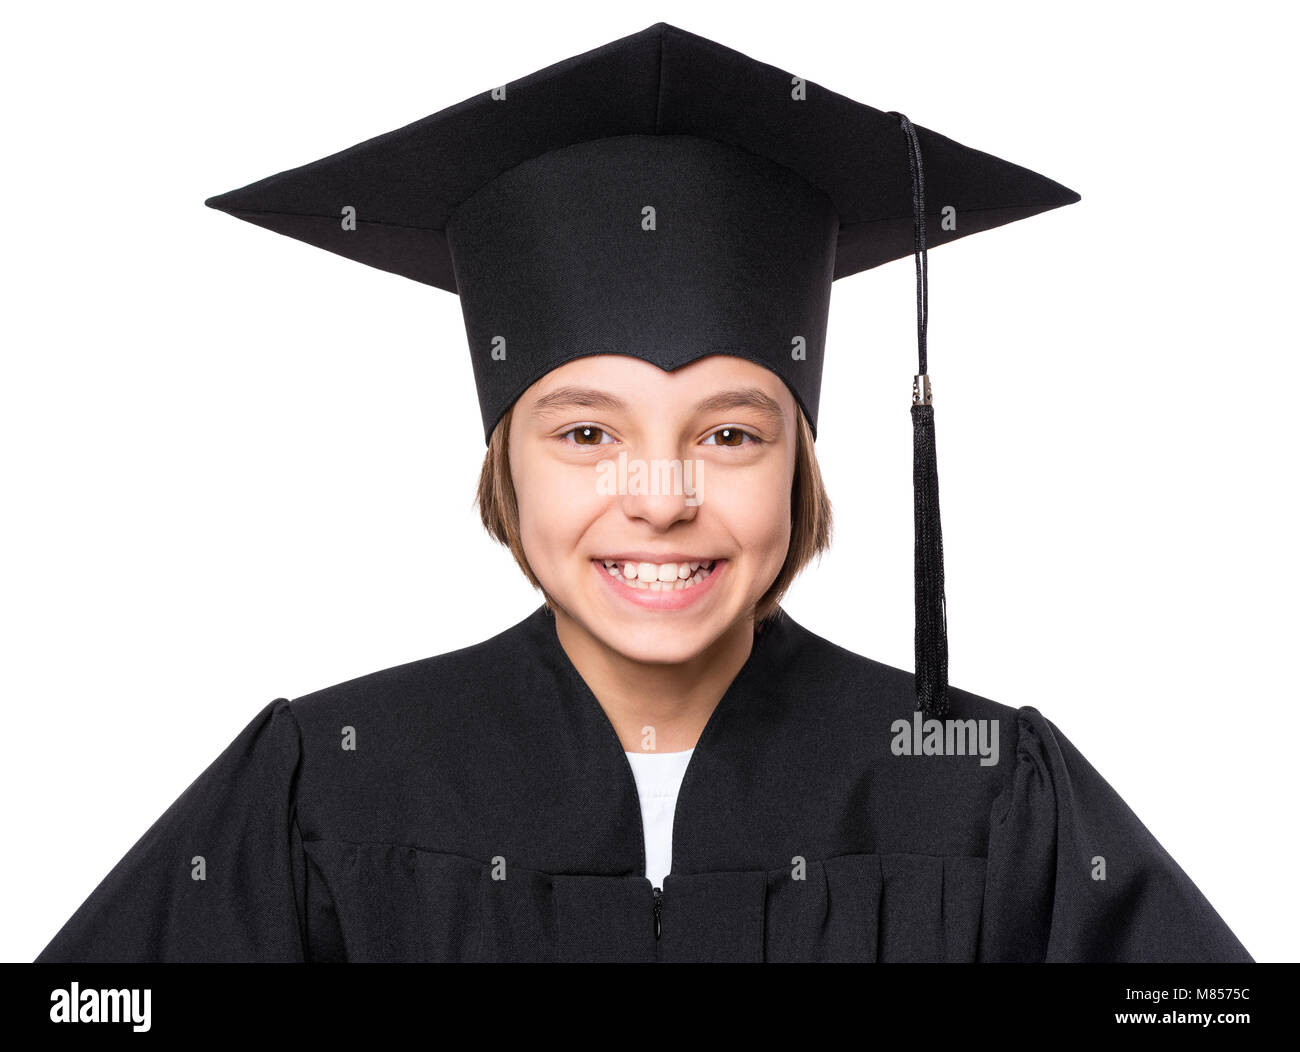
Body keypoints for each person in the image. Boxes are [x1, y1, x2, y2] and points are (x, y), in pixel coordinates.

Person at [34, 21, 1251, 963]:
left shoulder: (982, 786)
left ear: (802, 465)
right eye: (584, 432)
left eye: (729, 430)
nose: (659, 496)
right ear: (503, 461)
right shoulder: (329, 780)